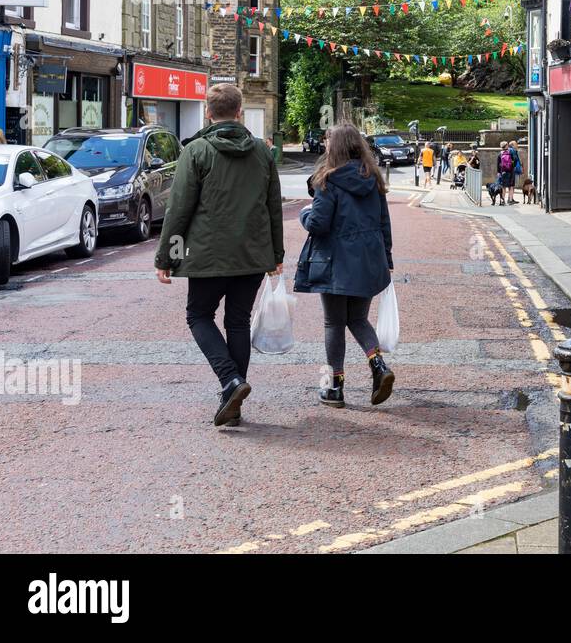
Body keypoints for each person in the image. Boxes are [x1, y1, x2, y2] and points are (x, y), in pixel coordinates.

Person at [154, 83, 284, 427]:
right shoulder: (262, 152)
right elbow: (273, 208)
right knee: (237, 321)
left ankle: (230, 381)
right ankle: (233, 398)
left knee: (198, 315)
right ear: (240, 113)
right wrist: (276, 255)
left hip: (207, 256)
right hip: (253, 255)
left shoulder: (196, 151)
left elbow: (178, 209)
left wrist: (166, 257)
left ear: (208, 113)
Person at [294, 123, 396, 408]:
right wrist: (386, 260)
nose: (325, 145)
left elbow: (319, 224)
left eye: (328, 141)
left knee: (334, 322)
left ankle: (335, 387)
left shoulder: (328, 180)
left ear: (335, 146)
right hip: (369, 259)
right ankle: (379, 366)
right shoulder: (373, 177)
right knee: (358, 319)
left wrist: (304, 214)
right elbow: (384, 223)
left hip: (336, 261)